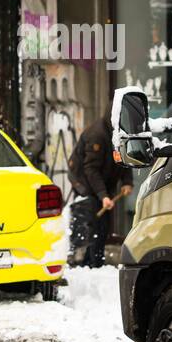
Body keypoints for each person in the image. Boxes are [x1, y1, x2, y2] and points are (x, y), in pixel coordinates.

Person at [67, 109, 134, 268]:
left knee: (104, 224)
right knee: (93, 223)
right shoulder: (97, 135)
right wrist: (103, 195)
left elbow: (125, 158)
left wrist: (127, 181)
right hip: (84, 181)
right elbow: (91, 170)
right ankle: (88, 263)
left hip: (103, 181)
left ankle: (96, 261)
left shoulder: (120, 134)